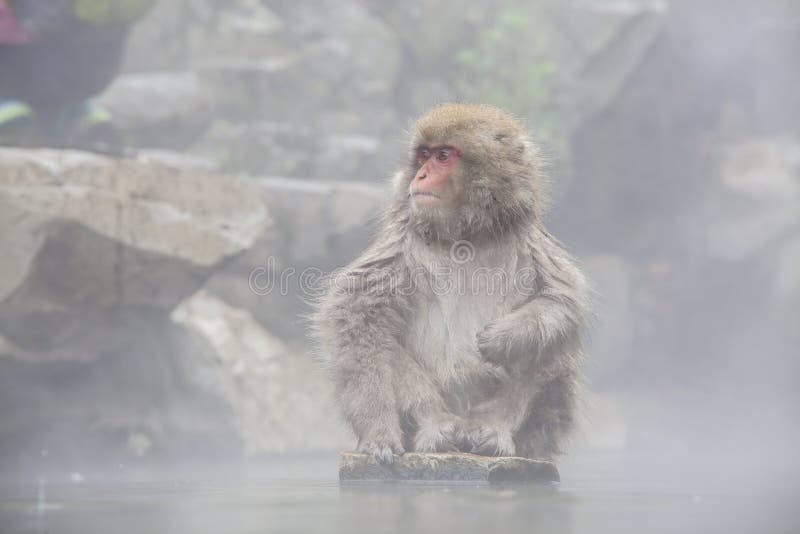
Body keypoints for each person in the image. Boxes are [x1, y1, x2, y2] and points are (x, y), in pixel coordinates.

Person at [0, 0, 155, 149]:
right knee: (58, 84)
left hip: (30, 69)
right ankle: (76, 115)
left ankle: (8, 110)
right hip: (98, 65)